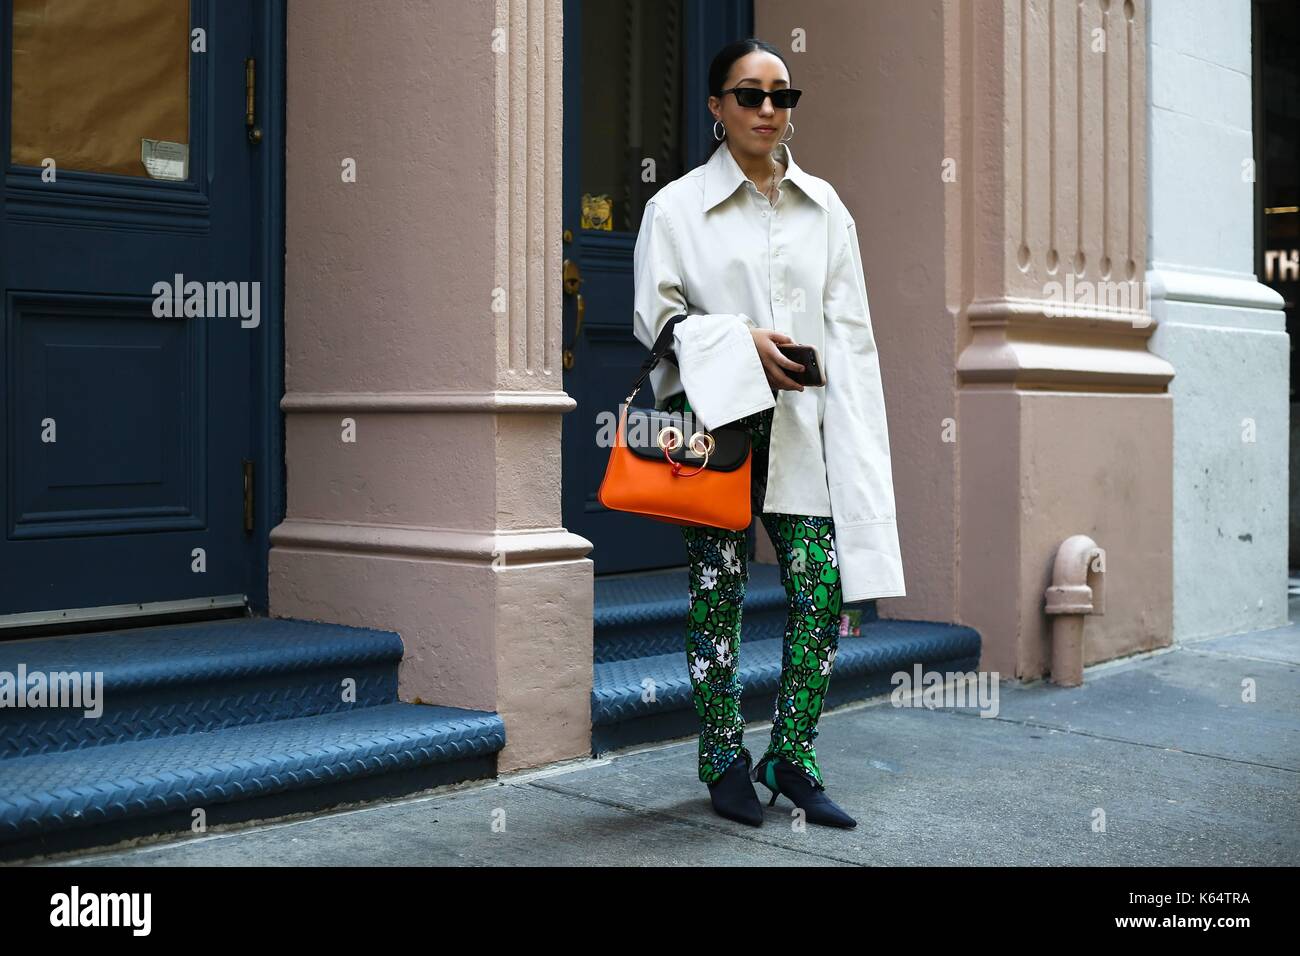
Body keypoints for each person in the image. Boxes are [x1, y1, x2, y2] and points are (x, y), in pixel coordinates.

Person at [631, 38, 906, 830]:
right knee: (716, 597)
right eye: (748, 96)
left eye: (781, 96)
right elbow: (655, 321)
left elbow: (851, 335)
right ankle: (721, 757)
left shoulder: (826, 209)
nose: (766, 111)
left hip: (802, 434)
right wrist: (740, 341)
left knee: (819, 591)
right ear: (716, 107)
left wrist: (856, 431)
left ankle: (792, 753)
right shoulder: (675, 207)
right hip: (713, 434)